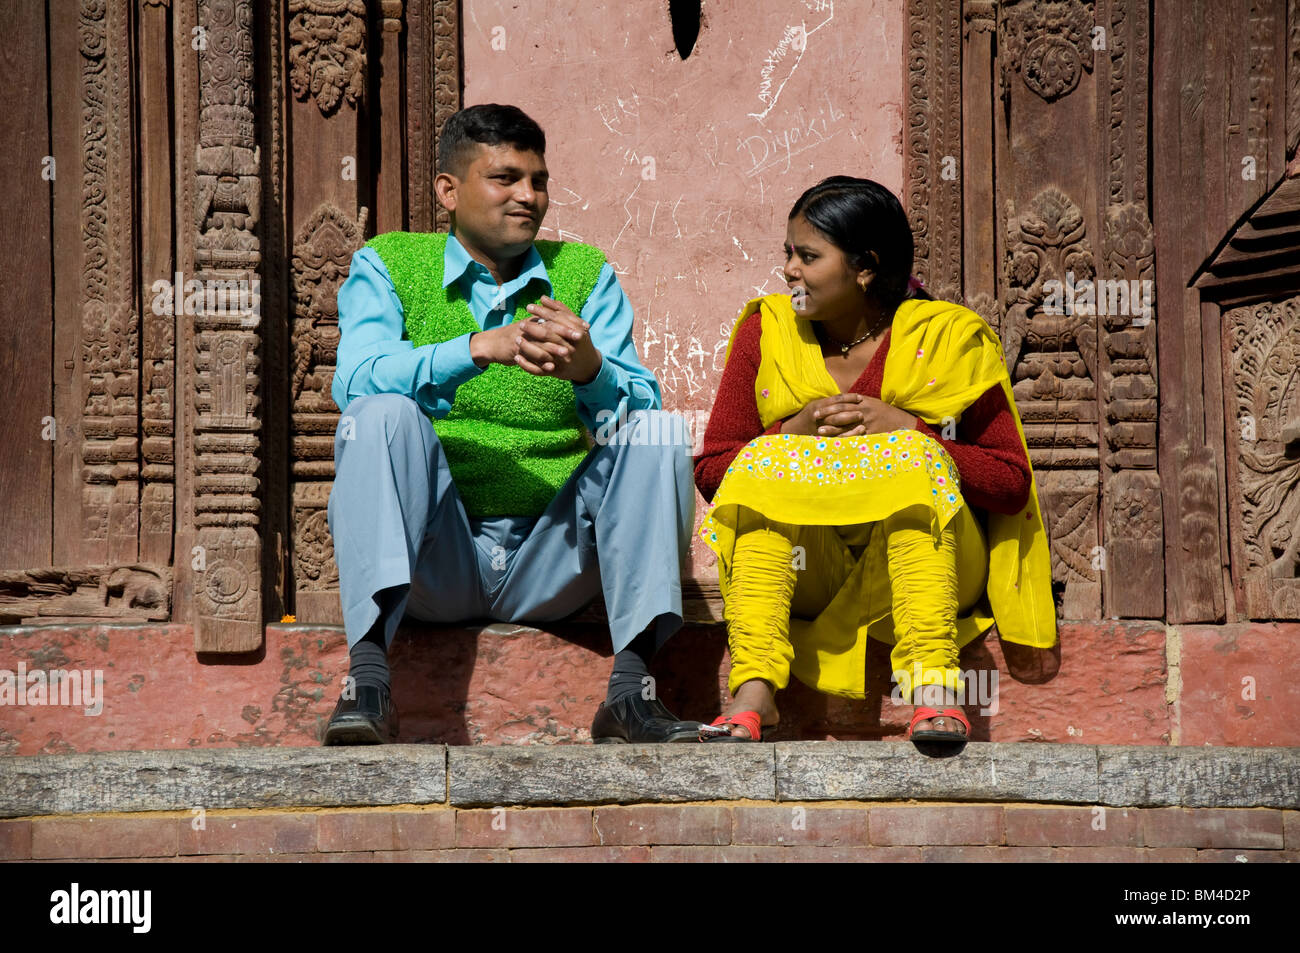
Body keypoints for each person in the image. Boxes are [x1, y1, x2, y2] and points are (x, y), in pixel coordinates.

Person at [323, 104, 699, 745]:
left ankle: (631, 692)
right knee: (377, 415)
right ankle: (367, 682)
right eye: (505, 178)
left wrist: (591, 372)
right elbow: (355, 382)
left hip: (556, 562)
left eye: (539, 180)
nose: (529, 196)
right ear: (449, 190)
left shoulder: (583, 274)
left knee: (657, 429)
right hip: (434, 559)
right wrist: (474, 349)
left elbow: (635, 414)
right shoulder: (388, 264)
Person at [692, 176, 1056, 747]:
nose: (789, 270)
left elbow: (1009, 483)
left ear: (864, 268)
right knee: (764, 468)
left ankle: (934, 689)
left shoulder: (947, 338)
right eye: (787, 253)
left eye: (807, 256)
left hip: (925, 570)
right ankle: (755, 692)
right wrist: (793, 431)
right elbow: (716, 472)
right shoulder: (767, 330)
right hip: (809, 571)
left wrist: (914, 430)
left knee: (910, 457)